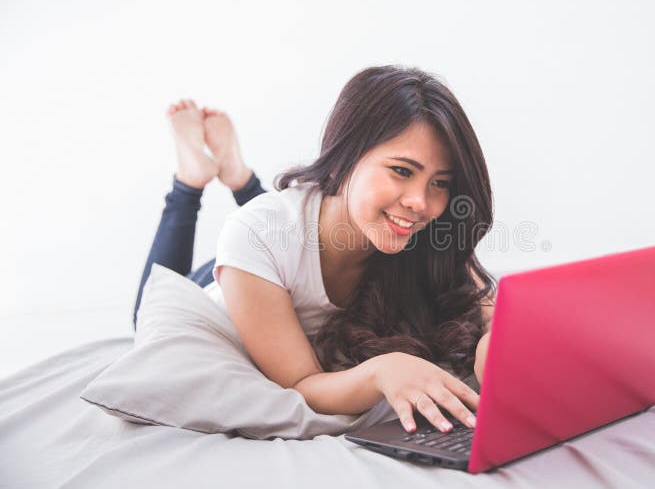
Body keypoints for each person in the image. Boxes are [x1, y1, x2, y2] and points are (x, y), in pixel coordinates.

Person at [135, 65, 496, 436]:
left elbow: (492, 316)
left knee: (286, 227)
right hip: (228, 291)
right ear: (348, 155)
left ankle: (239, 175)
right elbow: (302, 383)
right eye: (402, 171)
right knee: (153, 303)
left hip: (291, 245)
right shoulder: (255, 235)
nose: (421, 202)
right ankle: (191, 179)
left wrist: (492, 346)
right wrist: (382, 371)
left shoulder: (428, 234)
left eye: (440, 183)